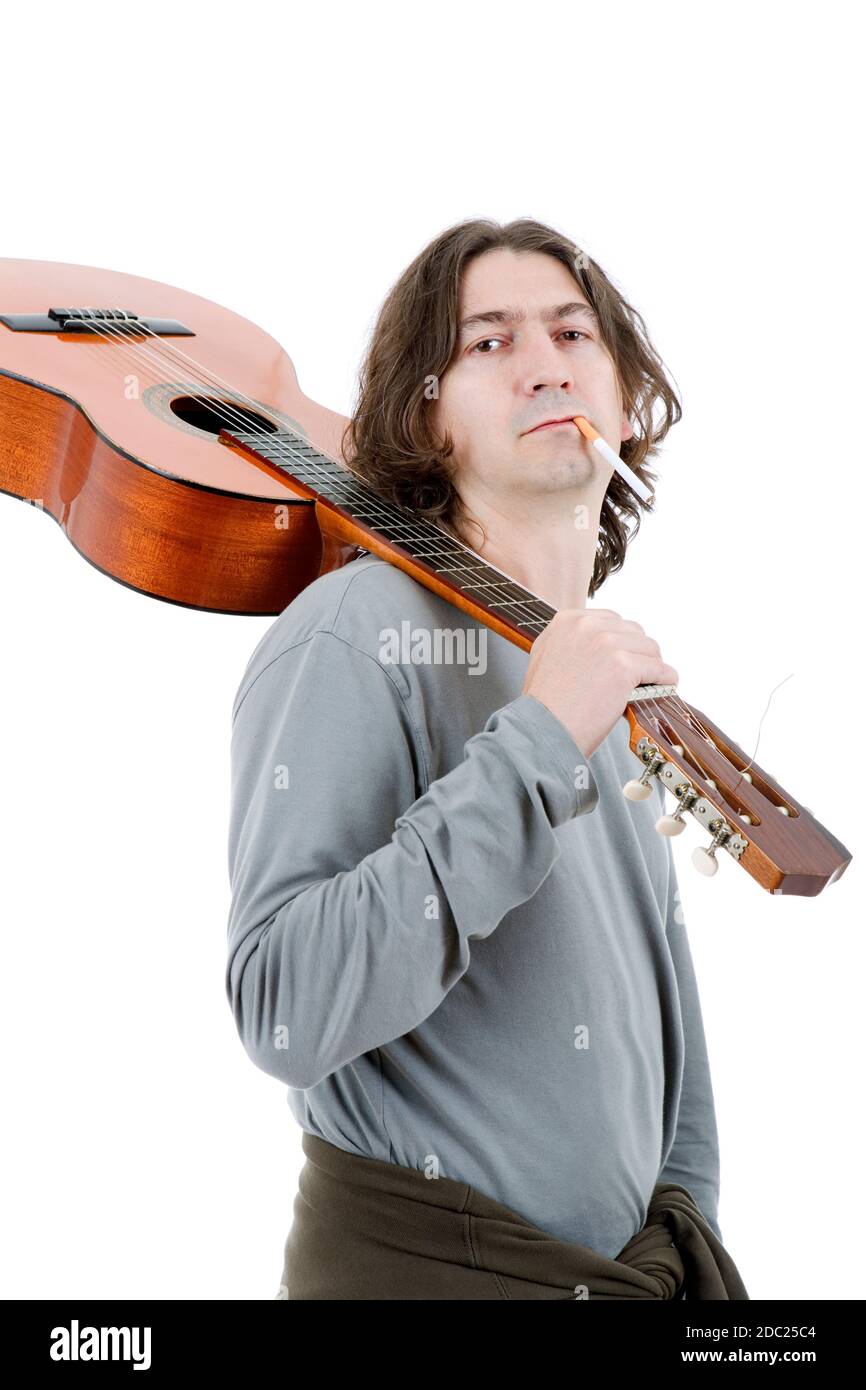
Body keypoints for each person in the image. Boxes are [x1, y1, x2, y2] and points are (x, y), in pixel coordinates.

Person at [225, 217, 748, 1300]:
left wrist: (681, 1222)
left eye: (571, 332)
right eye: (490, 343)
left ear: (623, 396)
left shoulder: (601, 673)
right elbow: (282, 1003)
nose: (546, 363)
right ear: (425, 410)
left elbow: (662, 1030)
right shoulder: (354, 628)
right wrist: (539, 743)